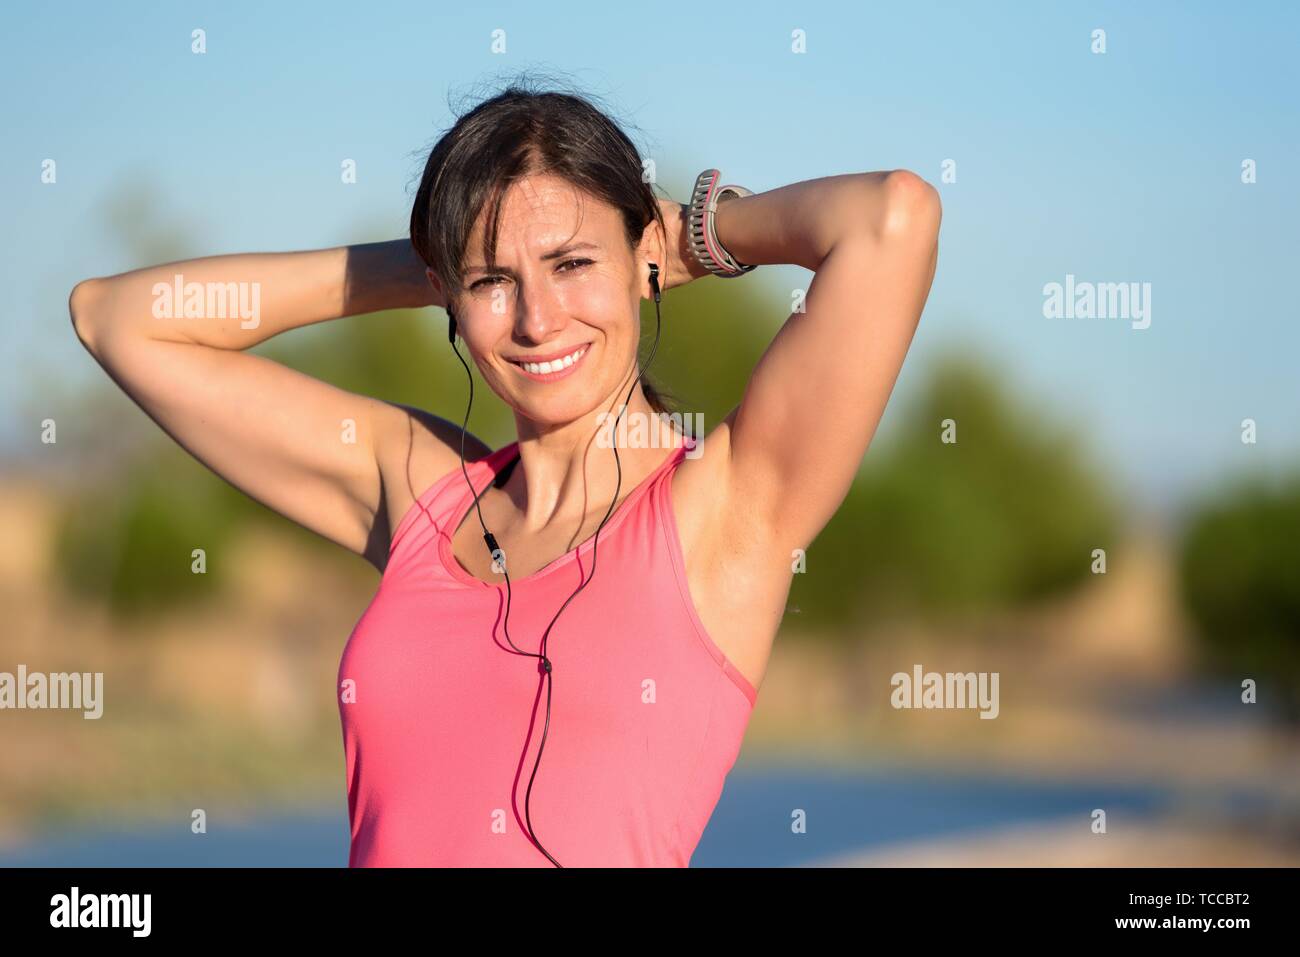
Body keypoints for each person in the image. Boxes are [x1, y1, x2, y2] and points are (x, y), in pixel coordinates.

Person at [68, 82, 941, 867]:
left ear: (641, 257)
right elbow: (117, 319)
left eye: (572, 263)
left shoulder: (726, 508)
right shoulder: (420, 489)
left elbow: (892, 218)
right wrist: (434, 264)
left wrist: (697, 237)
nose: (536, 318)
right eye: (494, 281)